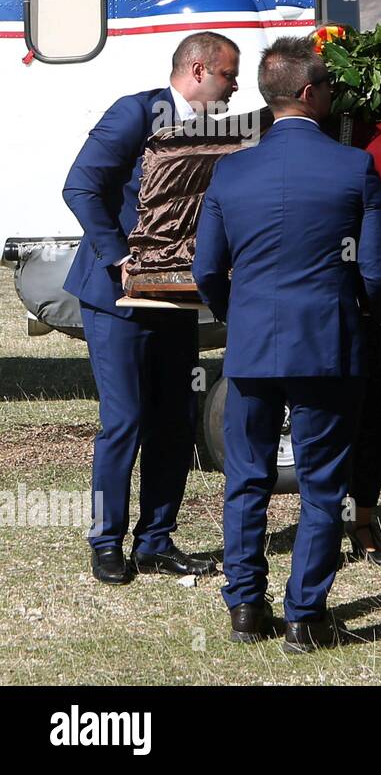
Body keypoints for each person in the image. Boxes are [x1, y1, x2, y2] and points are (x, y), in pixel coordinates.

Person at [193, 36, 381, 652]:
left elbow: (207, 268)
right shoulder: (354, 166)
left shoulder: (232, 169)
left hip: (254, 343)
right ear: (310, 94)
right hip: (327, 343)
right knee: (321, 484)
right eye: (330, 89)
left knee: (247, 479)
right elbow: (380, 270)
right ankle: (306, 615)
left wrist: (239, 315)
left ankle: (245, 608)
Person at [62, 31, 240, 584]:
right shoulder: (134, 113)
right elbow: (80, 186)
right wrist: (120, 260)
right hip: (119, 297)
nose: (234, 88)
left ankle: (157, 540)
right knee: (124, 421)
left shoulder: (222, 131)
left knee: (175, 419)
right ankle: (106, 541)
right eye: (228, 76)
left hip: (176, 297)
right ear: (197, 68)